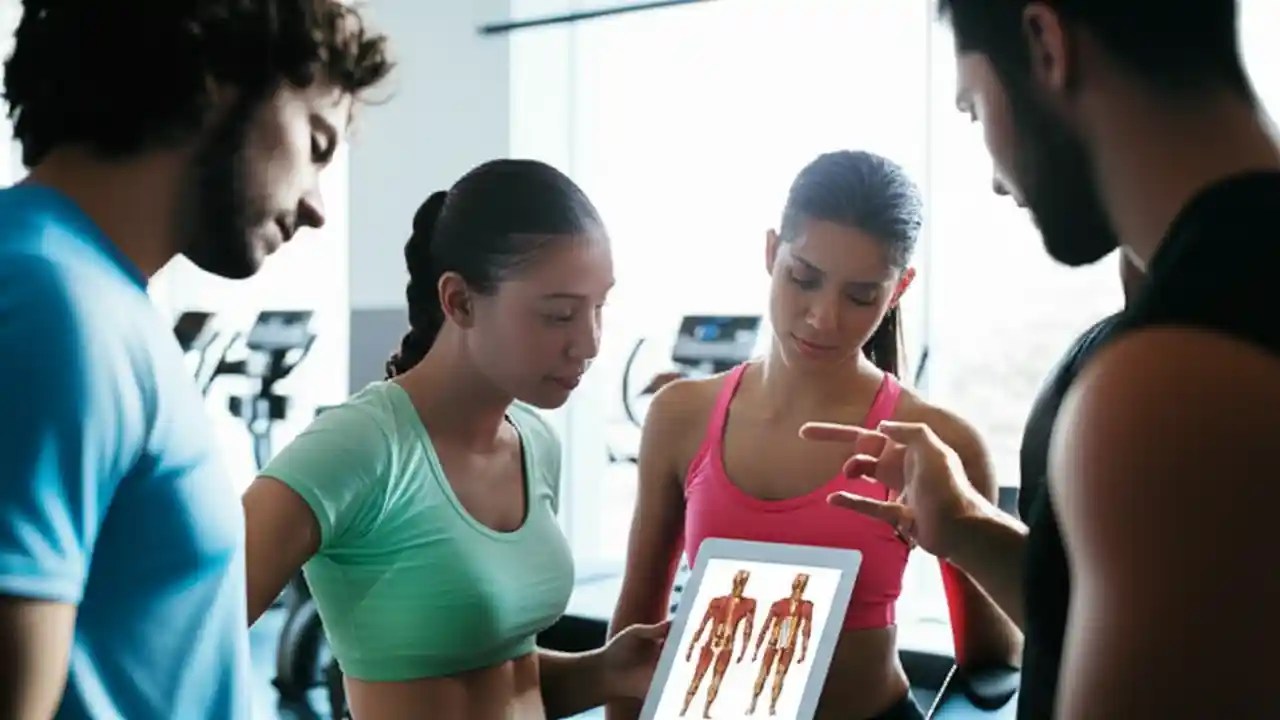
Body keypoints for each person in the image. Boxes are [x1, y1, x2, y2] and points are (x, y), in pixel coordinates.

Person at [805, 2, 1280, 718]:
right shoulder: (1197, 320)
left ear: (1045, 43)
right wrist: (964, 524)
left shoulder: (1171, 383)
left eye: (974, 105)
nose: (998, 180)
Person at [0, 2, 391, 718]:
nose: (316, 208)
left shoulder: (89, 296)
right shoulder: (51, 303)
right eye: (316, 142)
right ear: (220, 76)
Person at [241, 159, 670, 720]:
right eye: (559, 315)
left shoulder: (535, 444)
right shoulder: (361, 446)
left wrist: (608, 670)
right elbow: (185, 631)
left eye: (598, 308)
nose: (588, 343)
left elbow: (503, 684)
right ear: (460, 302)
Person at [607, 151, 1022, 720]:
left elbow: (995, 659)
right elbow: (634, 623)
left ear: (899, 288)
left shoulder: (939, 442)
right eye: (803, 278)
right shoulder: (681, 416)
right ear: (772, 252)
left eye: (860, 296)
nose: (823, 318)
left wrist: (962, 529)